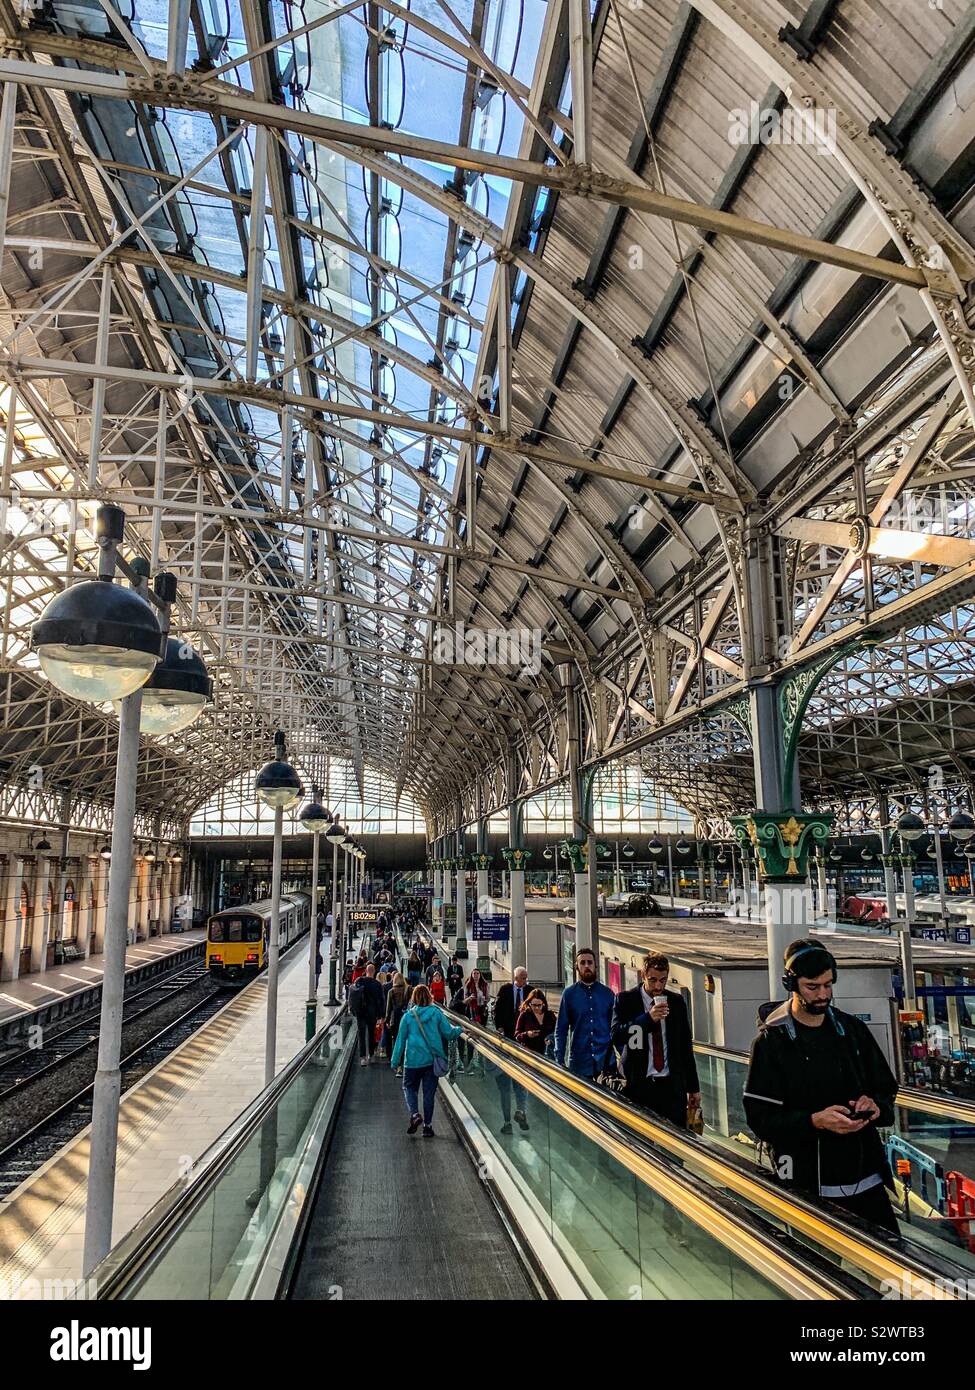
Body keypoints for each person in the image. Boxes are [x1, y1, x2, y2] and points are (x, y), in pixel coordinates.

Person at [744, 939, 899, 1235]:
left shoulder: (852, 1031)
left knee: (890, 1276)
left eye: (828, 985)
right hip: (808, 1185)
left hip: (866, 1177)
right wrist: (815, 1121)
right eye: (812, 987)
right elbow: (760, 1119)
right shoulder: (771, 1043)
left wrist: (875, 1106)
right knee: (819, 1273)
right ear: (792, 984)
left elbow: (885, 1089)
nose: (823, 995)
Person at [611, 952, 700, 1126]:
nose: (658, 986)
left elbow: (685, 1048)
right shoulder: (625, 1000)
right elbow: (617, 1036)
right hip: (639, 1086)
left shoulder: (676, 1002)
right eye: (652, 980)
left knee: (676, 1141)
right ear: (643, 975)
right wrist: (647, 1020)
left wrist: (693, 1088)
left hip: (671, 1087)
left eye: (663, 980)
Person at [391, 984, 463, 1137]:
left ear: (414, 998)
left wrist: (395, 1060)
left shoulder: (408, 1017)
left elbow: (400, 1040)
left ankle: (415, 1114)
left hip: (412, 1061)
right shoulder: (436, 1013)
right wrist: (461, 1029)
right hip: (431, 1061)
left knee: (409, 1088)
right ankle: (428, 1127)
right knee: (429, 1094)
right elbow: (449, 1033)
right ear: (430, 997)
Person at [554, 948, 615, 1081]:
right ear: (577, 967)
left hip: (605, 1062)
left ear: (595, 966)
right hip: (579, 1062)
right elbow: (561, 1030)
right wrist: (559, 1060)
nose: (587, 966)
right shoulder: (569, 994)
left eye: (590, 962)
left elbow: (615, 1028)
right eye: (582, 963)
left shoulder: (608, 994)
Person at [348, 963, 385, 1066]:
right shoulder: (377, 984)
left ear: (366, 970)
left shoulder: (359, 981)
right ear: (373, 972)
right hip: (372, 1012)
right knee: (371, 1033)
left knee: (361, 1034)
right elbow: (381, 1000)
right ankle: (371, 1055)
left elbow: (353, 994)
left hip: (360, 1011)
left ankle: (363, 1057)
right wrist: (381, 1015)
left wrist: (352, 1009)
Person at [515, 989, 556, 1055]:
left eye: (539, 1005)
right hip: (530, 1055)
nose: (537, 1008)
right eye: (534, 1005)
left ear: (543, 1004)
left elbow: (557, 1033)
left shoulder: (550, 1015)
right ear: (529, 1003)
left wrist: (550, 1039)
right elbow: (517, 1036)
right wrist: (527, 1034)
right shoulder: (524, 1015)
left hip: (548, 1055)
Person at [384, 972, 410, 1076]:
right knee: (406, 1041)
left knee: (396, 1041)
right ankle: (405, 1064)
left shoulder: (391, 992)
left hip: (394, 1019)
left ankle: (398, 1066)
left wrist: (387, 1021)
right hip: (406, 1019)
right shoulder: (408, 990)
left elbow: (388, 1009)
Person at [495, 967, 531, 1040]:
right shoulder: (504, 989)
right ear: (516, 978)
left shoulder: (530, 990)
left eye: (526, 978)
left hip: (524, 1026)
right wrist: (499, 1026)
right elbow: (497, 1008)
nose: (526, 981)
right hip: (508, 1026)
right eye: (523, 978)